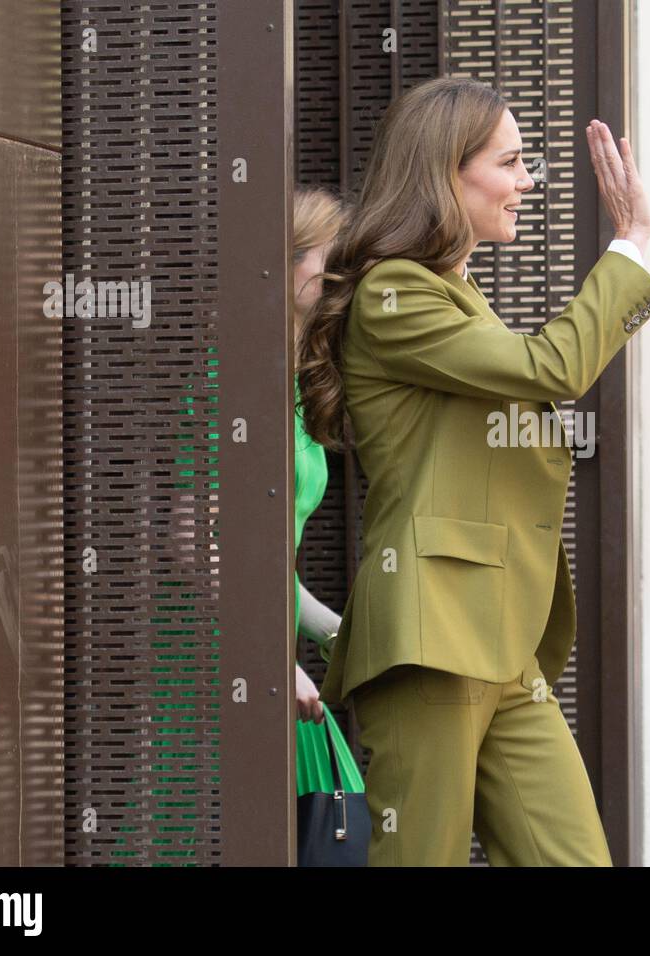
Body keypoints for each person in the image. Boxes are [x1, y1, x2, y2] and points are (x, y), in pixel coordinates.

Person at [297, 76, 650, 865]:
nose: (528, 182)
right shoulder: (395, 294)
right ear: (445, 174)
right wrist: (629, 244)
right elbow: (555, 366)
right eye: (510, 162)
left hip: (504, 645)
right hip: (434, 637)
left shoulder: (453, 296)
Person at [291, 186, 364, 816]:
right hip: (204, 649)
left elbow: (271, 569)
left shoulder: (292, 383)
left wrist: (336, 632)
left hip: (256, 643)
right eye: (326, 263)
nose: (338, 281)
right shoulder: (224, 374)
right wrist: (262, 661)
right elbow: (195, 543)